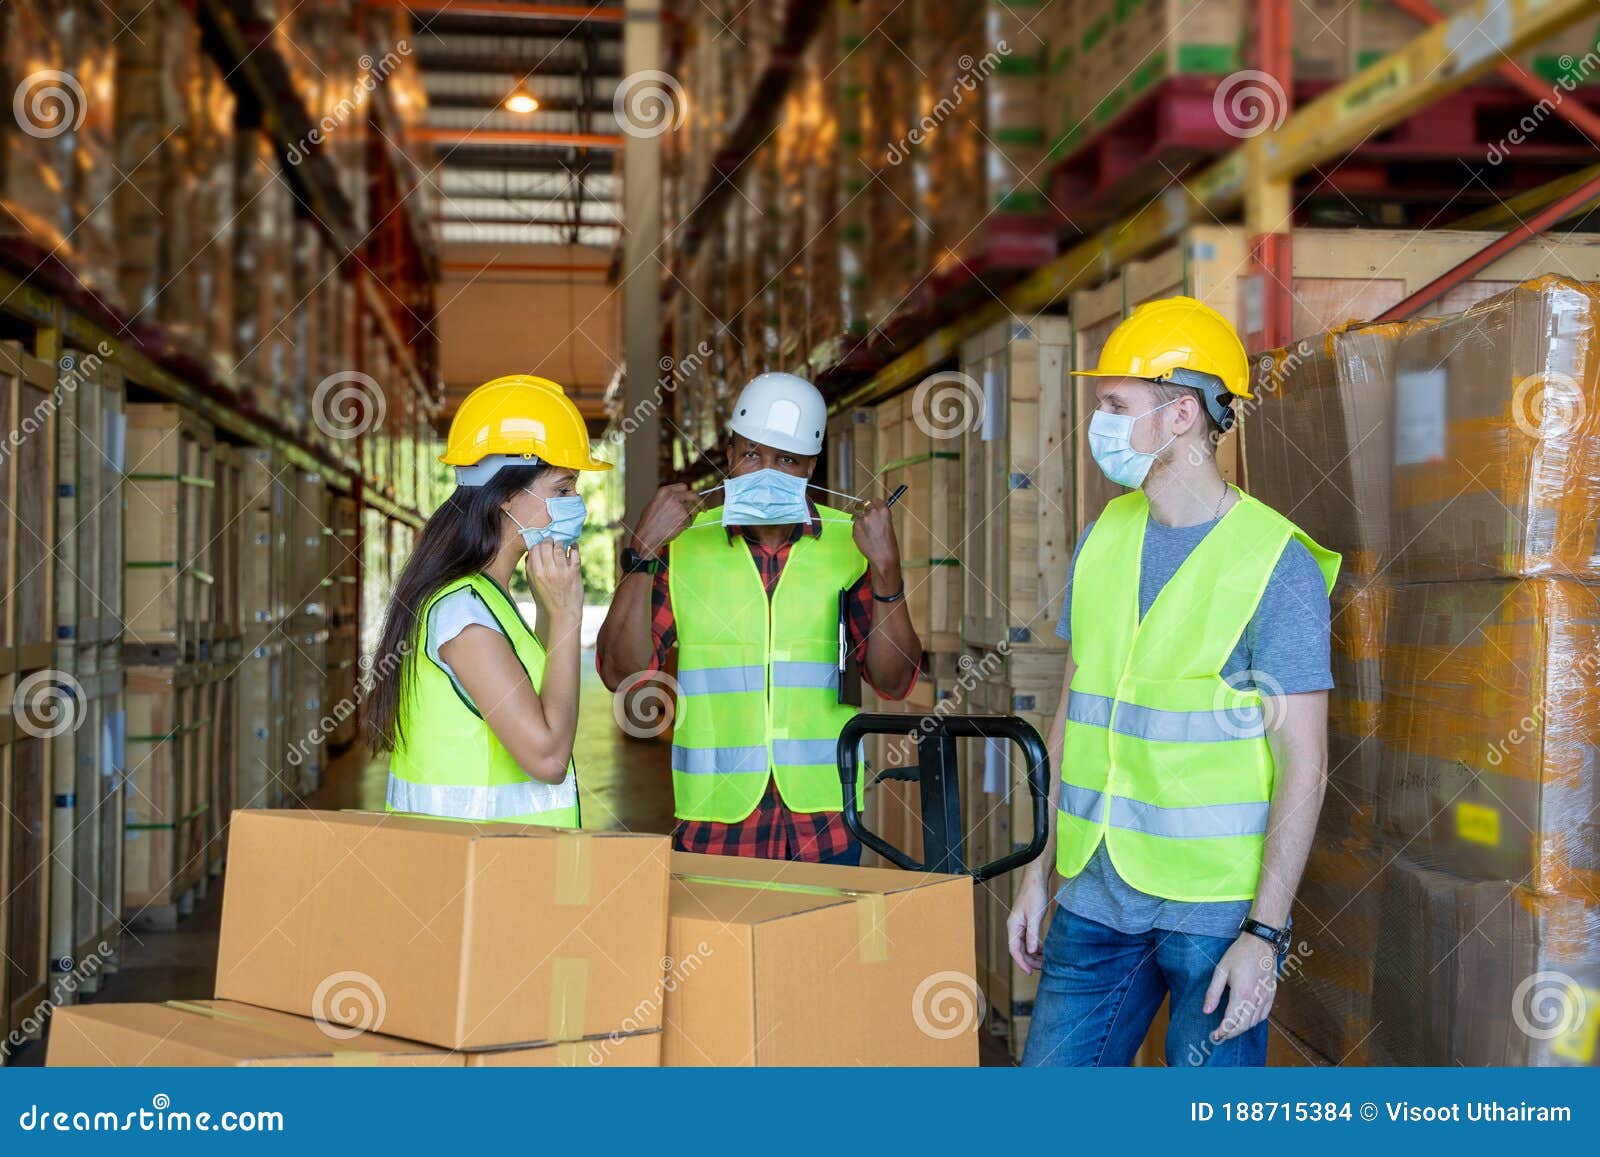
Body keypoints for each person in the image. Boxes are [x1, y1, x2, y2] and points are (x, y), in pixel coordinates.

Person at [1007, 297, 1339, 1066]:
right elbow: (1072, 716)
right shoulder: (1102, 538)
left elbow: (1305, 762)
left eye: (1117, 405)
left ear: (1183, 413)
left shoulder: (1275, 562)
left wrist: (1264, 931)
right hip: (1092, 892)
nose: (1101, 424)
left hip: (1212, 914)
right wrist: (1036, 869)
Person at [596, 372, 922, 863]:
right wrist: (643, 550)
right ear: (729, 455)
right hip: (714, 825)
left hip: (825, 825)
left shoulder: (848, 545)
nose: (766, 473)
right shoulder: (684, 545)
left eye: (786, 459)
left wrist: (887, 570)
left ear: (811, 465)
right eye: (752, 455)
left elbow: (894, 681)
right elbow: (622, 674)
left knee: (818, 942)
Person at [363, 375, 612, 826]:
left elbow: (536, 695)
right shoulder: (463, 614)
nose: (578, 505)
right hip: (471, 879)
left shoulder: (487, 597)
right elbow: (548, 759)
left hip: (497, 872)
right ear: (508, 495)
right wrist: (569, 615)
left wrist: (548, 610)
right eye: (563, 488)